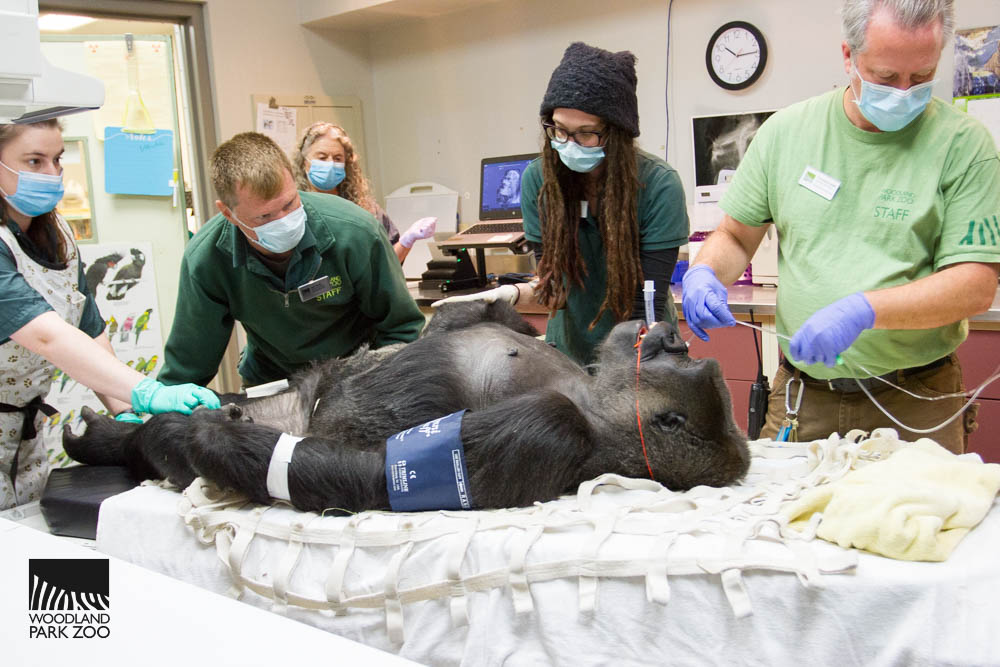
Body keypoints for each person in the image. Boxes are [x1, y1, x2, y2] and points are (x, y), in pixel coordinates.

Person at [681, 0, 1000, 453]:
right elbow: (735, 235)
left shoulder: (964, 146)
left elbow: (974, 286)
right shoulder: (787, 133)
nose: (904, 92)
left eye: (922, 78)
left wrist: (864, 311)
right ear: (849, 56)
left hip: (916, 400)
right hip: (802, 398)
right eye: (887, 77)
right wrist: (706, 271)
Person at [0, 120, 219, 509]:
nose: (52, 175)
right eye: (34, 162)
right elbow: (45, 335)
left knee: (27, 543)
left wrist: (127, 411)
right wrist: (149, 392)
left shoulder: (58, 235)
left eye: (57, 160)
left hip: (25, 437)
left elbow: (87, 327)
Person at [435, 42, 689, 366]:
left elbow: (644, 305)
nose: (569, 144)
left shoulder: (658, 185)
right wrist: (512, 295)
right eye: (559, 130)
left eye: (586, 133)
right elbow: (553, 285)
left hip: (642, 351)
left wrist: (621, 380)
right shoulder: (540, 183)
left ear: (617, 134)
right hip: (569, 353)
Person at [158, 132, 425, 389]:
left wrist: (375, 386)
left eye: (289, 204)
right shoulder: (207, 259)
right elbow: (187, 367)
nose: (283, 222)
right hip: (272, 382)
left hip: (358, 374)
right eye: (264, 217)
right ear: (228, 213)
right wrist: (160, 411)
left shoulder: (355, 233)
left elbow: (402, 328)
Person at [292, 121, 436, 263]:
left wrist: (407, 240)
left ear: (346, 163)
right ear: (304, 161)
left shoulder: (366, 210)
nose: (330, 164)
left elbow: (388, 266)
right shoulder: (292, 211)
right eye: (322, 157)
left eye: (337, 158)